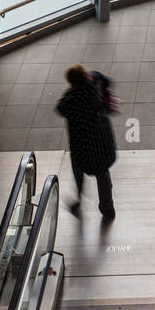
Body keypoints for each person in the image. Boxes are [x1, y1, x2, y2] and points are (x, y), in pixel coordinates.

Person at [55, 65, 117, 220]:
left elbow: (60, 109)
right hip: (101, 139)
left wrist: (69, 92)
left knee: (79, 171)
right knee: (103, 173)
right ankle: (107, 207)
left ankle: (79, 199)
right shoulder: (95, 79)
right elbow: (109, 81)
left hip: (81, 144)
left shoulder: (72, 100)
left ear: (72, 83)